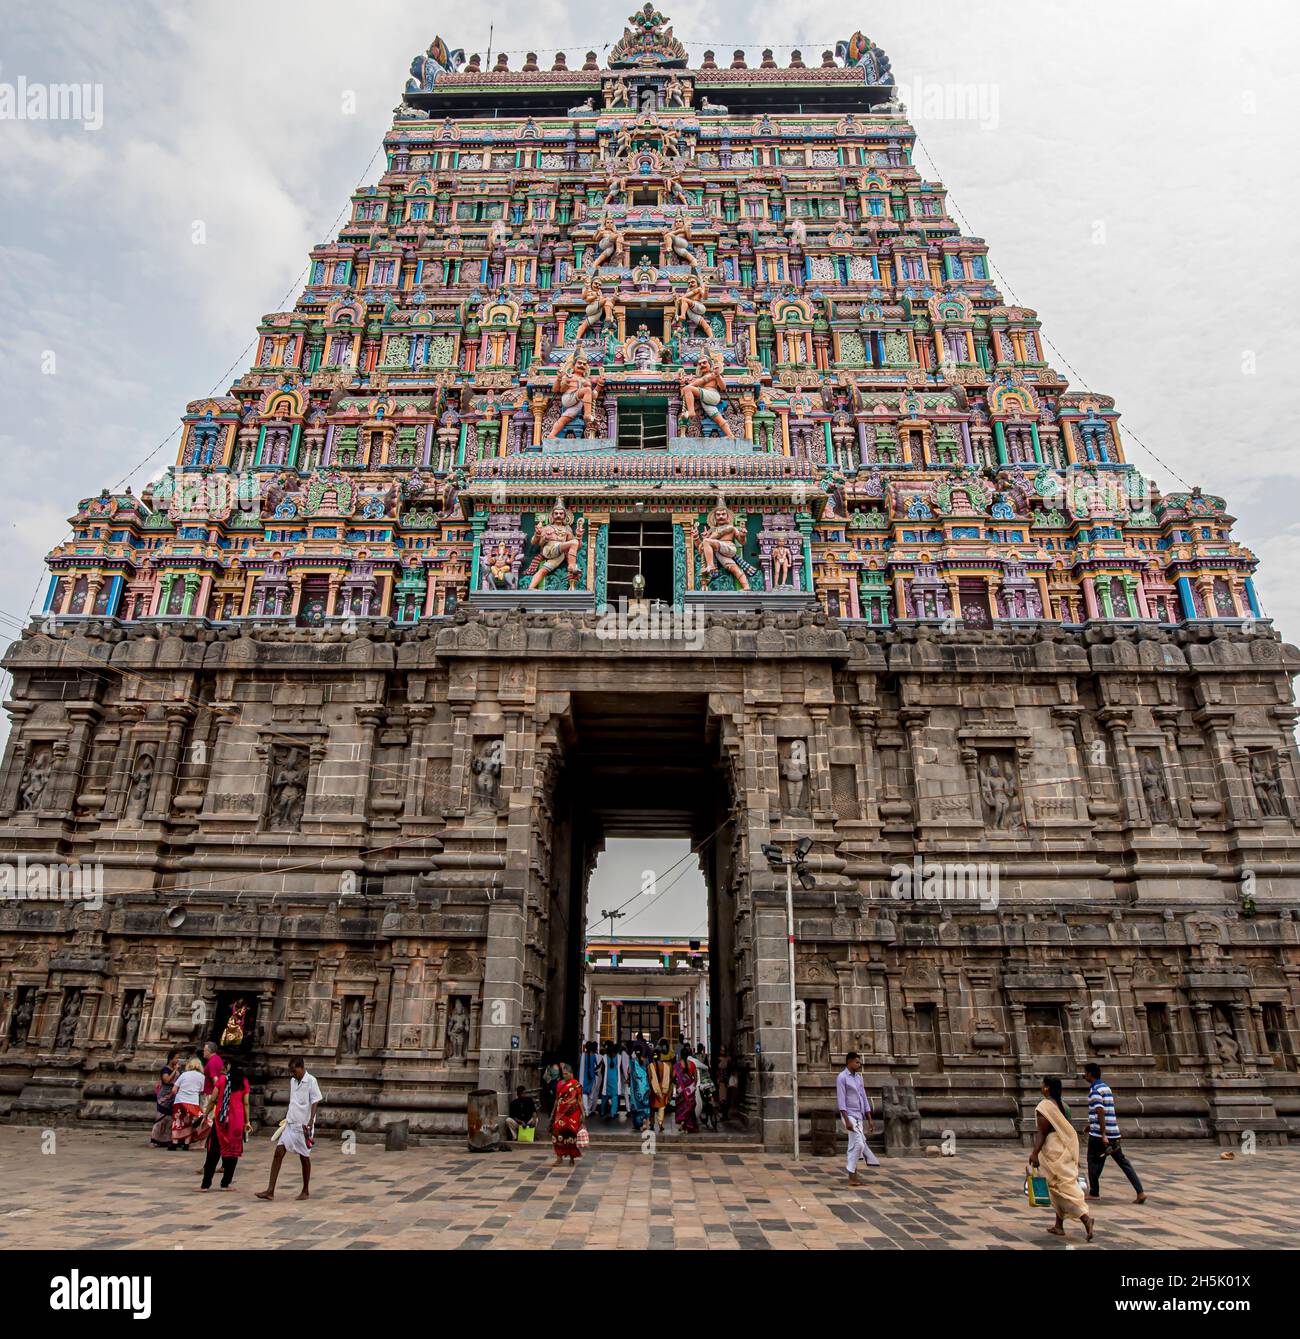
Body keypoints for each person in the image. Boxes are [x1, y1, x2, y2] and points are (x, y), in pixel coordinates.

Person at [1029, 1076, 1095, 1241]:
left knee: (1058, 1186)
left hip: (1053, 1150)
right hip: (1065, 1149)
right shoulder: (1064, 1106)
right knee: (1059, 1185)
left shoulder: (1044, 1106)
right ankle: (1059, 1226)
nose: (1041, 1087)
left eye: (1043, 1085)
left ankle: (1085, 1218)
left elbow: (1042, 1132)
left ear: (1047, 1088)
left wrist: (1035, 1153)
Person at [256, 1057, 322, 1201]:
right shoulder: (293, 1081)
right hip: (291, 1123)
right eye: (291, 1071)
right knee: (278, 1153)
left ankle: (305, 1190)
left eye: (294, 1071)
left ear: (301, 1068)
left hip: (303, 1126)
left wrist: (311, 1120)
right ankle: (270, 1190)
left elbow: (315, 1101)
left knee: (304, 1157)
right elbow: (293, 1100)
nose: (292, 1074)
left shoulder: (311, 1080)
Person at [1083, 1062, 1146, 1204]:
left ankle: (1094, 1192)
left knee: (1092, 1161)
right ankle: (1140, 1191)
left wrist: (1103, 1134)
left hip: (1100, 1135)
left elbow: (1100, 1112)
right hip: (1114, 1134)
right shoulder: (1106, 1088)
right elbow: (1105, 1111)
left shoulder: (1095, 1091)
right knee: (1124, 1163)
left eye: (1085, 1073)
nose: (1084, 1075)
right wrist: (1090, 1125)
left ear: (1090, 1074)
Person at [200, 1060, 250, 1191]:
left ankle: (205, 1185)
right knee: (232, 1152)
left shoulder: (222, 1080)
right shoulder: (243, 1082)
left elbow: (213, 1099)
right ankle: (225, 1183)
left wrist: (205, 1114)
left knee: (214, 1150)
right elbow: (246, 1103)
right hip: (237, 1122)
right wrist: (247, 1121)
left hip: (221, 1120)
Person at [836, 1051, 879, 1185]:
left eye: (859, 1062)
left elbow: (864, 1097)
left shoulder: (859, 1078)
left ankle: (853, 1177)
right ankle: (852, 1171)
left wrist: (869, 1118)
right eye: (857, 1062)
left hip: (859, 1115)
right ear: (849, 1062)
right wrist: (846, 1120)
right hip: (848, 1115)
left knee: (853, 1144)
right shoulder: (842, 1077)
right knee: (859, 1143)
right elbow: (841, 1100)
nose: (859, 1064)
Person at [550, 1062, 585, 1167]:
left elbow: (579, 1101)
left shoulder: (577, 1085)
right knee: (556, 1134)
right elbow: (556, 1100)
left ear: (571, 1073)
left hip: (572, 1113)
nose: (564, 1076)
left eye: (566, 1074)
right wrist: (553, 1112)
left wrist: (583, 1114)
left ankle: (572, 1158)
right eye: (563, 1073)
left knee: (570, 1136)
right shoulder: (560, 1084)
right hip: (560, 1113)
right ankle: (559, 1157)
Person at [169, 1057, 206, 1149]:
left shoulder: (184, 1075)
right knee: (188, 1122)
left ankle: (175, 1143)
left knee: (177, 1121)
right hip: (193, 1102)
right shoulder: (202, 1077)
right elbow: (201, 1091)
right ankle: (186, 1143)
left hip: (180, 1101)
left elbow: (174, 1090)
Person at [150, 1050, 182, 1147]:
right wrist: (175, 1071)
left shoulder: (176, 1069)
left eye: (178, 1058)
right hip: (165, 1096)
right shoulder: (166, 1069)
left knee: (170, 1119)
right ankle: (154, 1139)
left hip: (173, 1096)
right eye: (176, 1058)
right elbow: (167, 1080)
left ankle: (166, 1140)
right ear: (171, 1059)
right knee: (160, 1118)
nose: (177, 1060)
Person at [673, 1044, 699, 1134]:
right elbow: (695, 1078)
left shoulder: (677, 1065)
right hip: (690, 1089)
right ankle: (687, 1125)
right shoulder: (692, 1064)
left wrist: (677, 1084)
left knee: (681, 1106)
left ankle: (683, 1123)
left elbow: (673, 1076)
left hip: (680, 1090)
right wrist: (693, 1086)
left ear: (680, 1055)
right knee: (689, 1107)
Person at [649, 1042, 673, 1132]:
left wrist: (649, 1089)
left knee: (652, 1107)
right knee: (661, 1107)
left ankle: (651, 1124)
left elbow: (649, 1078)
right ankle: (660, 1123)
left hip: (653, 1089)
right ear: (660, 1056)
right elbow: (668, 1078)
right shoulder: (666, 1066)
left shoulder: (650, 1066)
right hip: (663, 1089)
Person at [627, 1048, 651, 1132]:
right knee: (645, 1104)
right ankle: (644, 1120)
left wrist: (628, 1080)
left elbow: (629, 1072)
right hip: (644, 1086)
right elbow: (649, 1073)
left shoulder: (632, 1062)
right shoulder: (646, 1060)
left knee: (635, 1105)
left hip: (635, 1088)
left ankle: (636, 1124)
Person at [597, 1041, 621, 1121]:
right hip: (615, 1079)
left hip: (607, 1079)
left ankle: (602, 1112)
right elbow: (620, 1068)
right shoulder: (618, 1057)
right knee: (614, 1097)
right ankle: (613, 1113)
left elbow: (601, 1069)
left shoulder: (604, 1057)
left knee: (604, 1096)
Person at [580, 1040, 601, 1117]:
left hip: (584, 1077)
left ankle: (586, 1111)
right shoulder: (594, 1056)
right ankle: (588, 1108)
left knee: (584, 1093)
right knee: (591, 1095)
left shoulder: (582, 1055)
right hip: (592, 1077)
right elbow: (597, 1066)